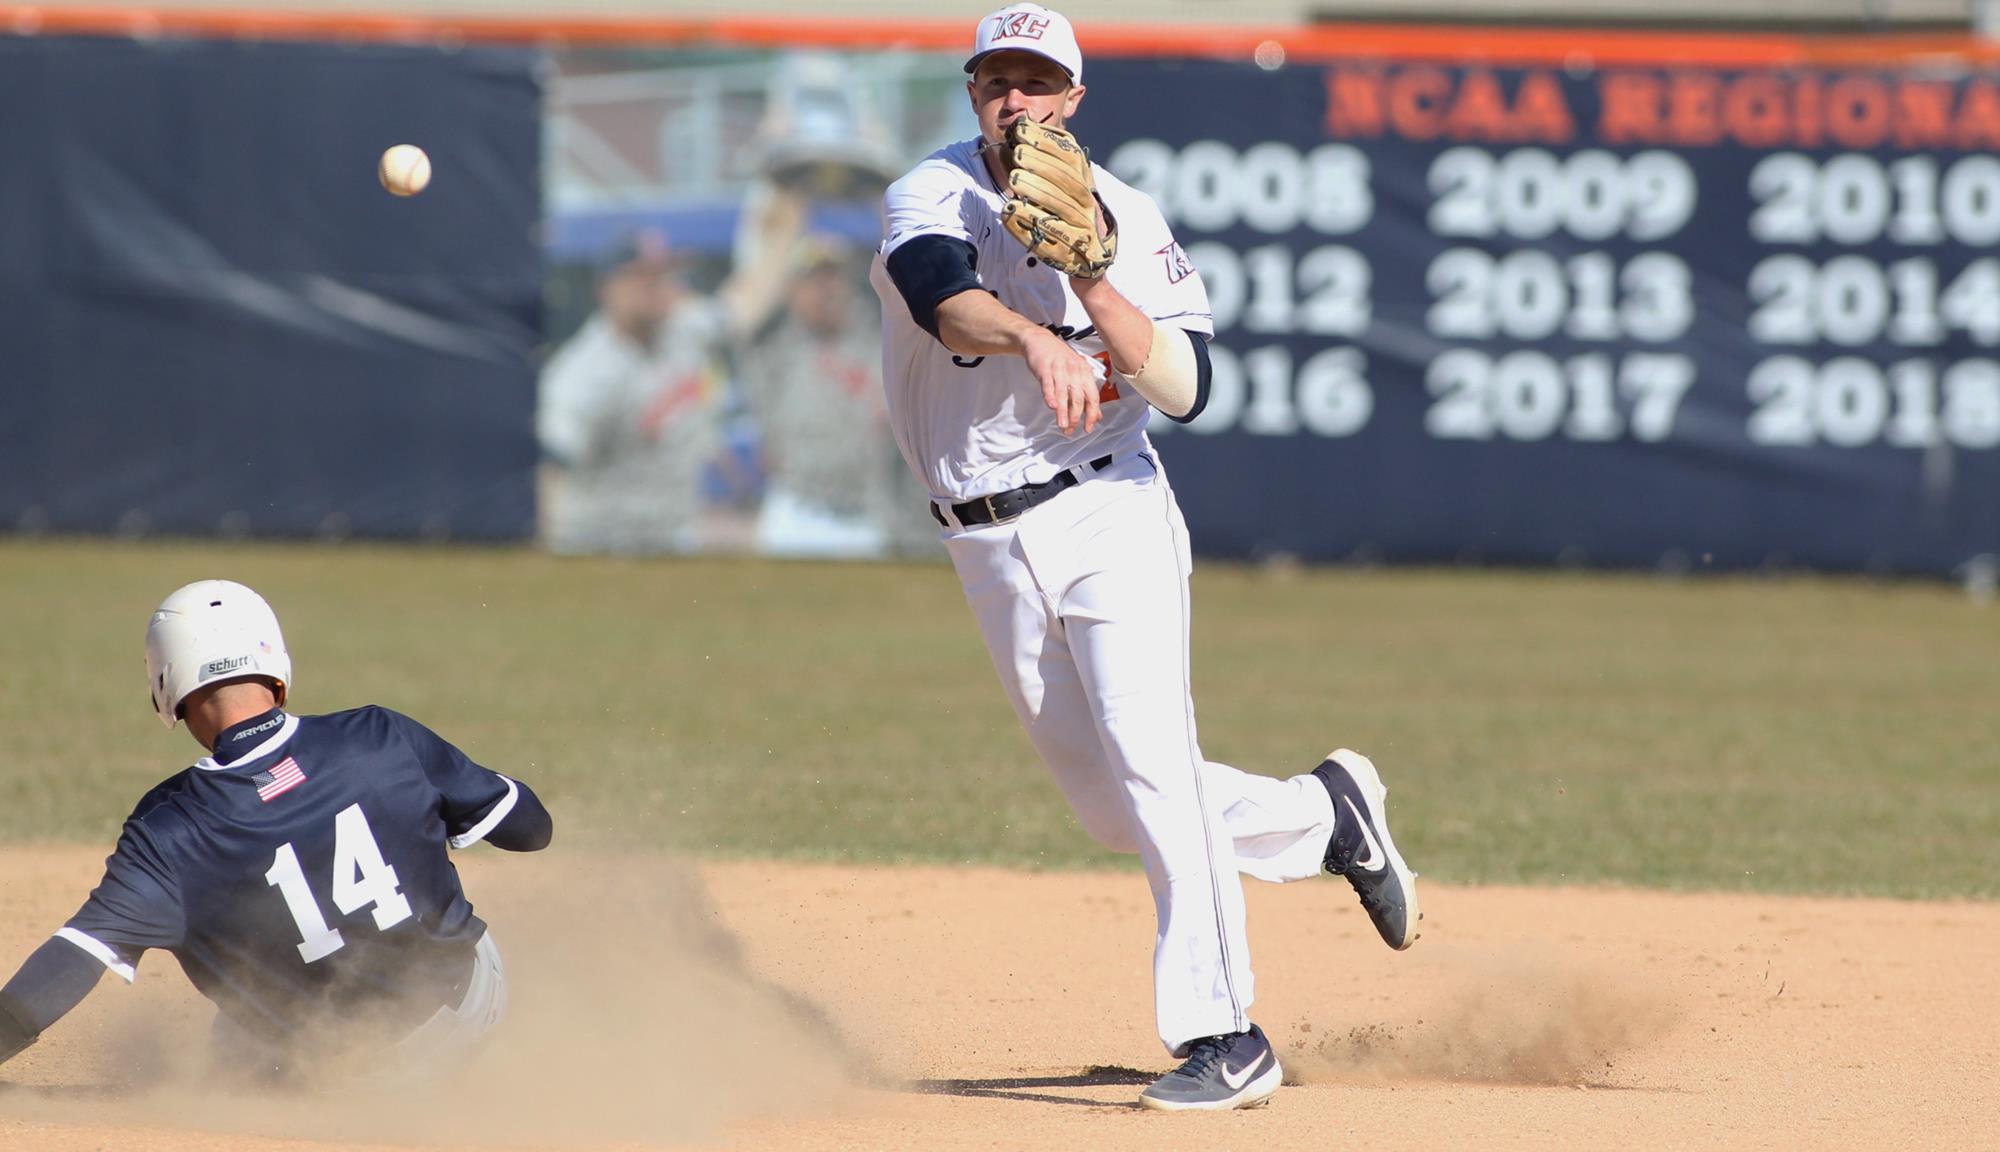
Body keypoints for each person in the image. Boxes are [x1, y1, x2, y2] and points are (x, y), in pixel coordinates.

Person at [869, 3, 1422, 1111]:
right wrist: (1030, 333)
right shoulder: (928, 191)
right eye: (995, 79)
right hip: (981, 539)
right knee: (1106, 806)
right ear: (972, 91)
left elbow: (1188, 388)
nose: (1014, 97)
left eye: (1037, 80)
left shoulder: (1121, 215)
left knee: (1154, 766)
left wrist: (1085, 281)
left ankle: (1226, 1033)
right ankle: (1322, 817)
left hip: (1104, 511)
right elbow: (940, 298)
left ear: (1074, 98)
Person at [0, 580, 553, 1086]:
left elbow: (72, 960)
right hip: (472, 1007)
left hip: (342, 1076)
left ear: (166, 690)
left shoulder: (167, 830)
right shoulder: (380, 735)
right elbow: (530, 830)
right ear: (276, 668)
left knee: (235, 1041)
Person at [737, 235, 934, 558]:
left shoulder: (882, 340)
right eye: (813, 280)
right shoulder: (774, 346)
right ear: (791, 290)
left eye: (833, 277)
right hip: (795, 510)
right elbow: (745, 305)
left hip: (864, 517)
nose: (826, 289)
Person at [537, 230, 727, 555]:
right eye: (643, 277)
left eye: (664, 275)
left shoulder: (684, 328)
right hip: (601, 546)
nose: (658, 287)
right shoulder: (584, 372)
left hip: (676, 538)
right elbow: (548, 471)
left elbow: (744, 306)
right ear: (606, 289)